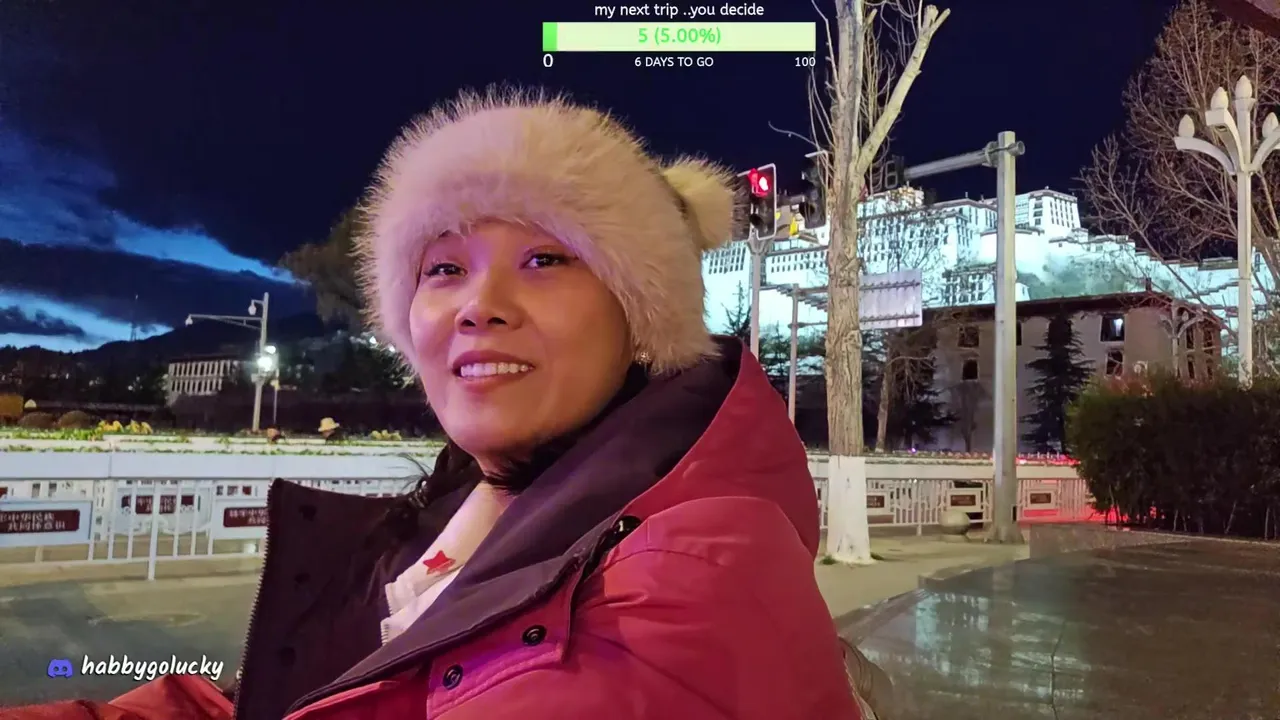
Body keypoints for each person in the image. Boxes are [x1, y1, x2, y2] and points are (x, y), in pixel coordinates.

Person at [2, 88, 871, 720]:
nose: (478, 306)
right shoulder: (469, 520)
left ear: (642, 319)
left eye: (546, 260)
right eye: (445, 268)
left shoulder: (691, 581)